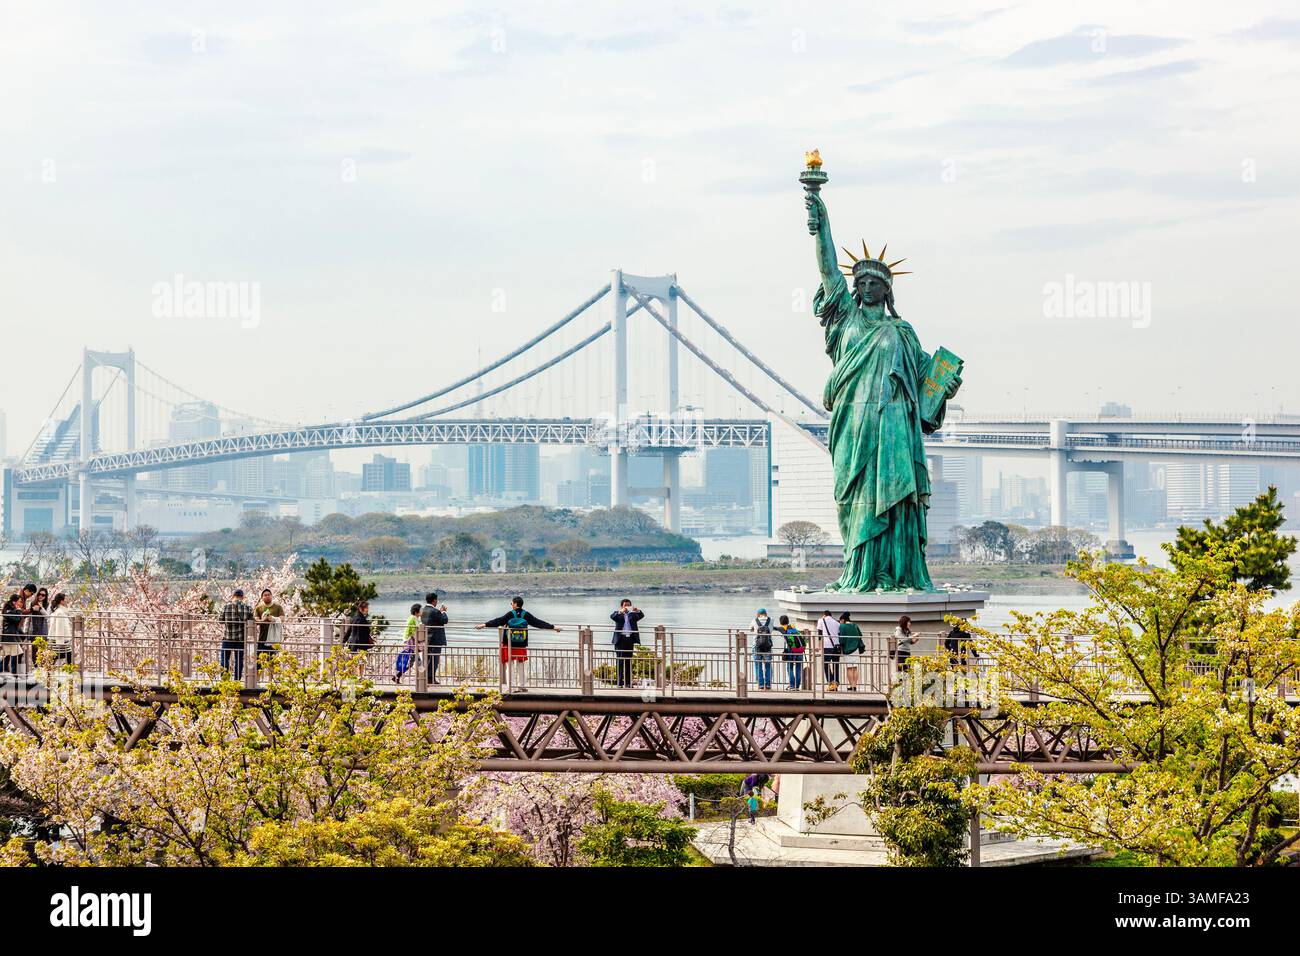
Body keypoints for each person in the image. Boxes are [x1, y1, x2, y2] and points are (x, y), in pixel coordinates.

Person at [477, 596, 561, 693]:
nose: (511, 605)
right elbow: (538, 623)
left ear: (516, 604)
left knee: (510, 665)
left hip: (508, 643)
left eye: (512, 603)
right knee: (521, 665)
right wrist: (553, 627)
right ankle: (521, 686)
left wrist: (484, 625)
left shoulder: (510, 614)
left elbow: (498, 621)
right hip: (521, 644)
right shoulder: (526, 615)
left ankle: (511, 687)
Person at [217, 588, 254, 679]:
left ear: (233, 596)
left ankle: (224, 679)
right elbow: (251, 621)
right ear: (242, 597)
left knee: (225, 659)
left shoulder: (227, 606)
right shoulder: (247, 608)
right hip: (240, 639)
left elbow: (220, 621)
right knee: (239, 660)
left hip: (227, 638)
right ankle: (237, 680)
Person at [609, 598, 644, 689]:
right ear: (622, 606)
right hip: (620, 640)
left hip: (630, 639)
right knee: (620, 661)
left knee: (628, 661)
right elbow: (612, 616)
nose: (627, 607)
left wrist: (637, 610)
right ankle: (619, 683)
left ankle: (628, 683)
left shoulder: (633, 615)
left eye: (628, 605)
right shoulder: (618, 614)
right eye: (625, 605)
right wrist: (621, 612)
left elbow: (641, 615)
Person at [420, 592, 449, 685]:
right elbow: (445, 620)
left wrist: (439, 612)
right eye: (436, 600)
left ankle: (427, 677)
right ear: (434, 600)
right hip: (435, 639)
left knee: (428, 659)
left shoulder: (423, 610)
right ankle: (431, 679)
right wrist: (443, 612)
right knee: (434, 659)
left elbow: (433, 620)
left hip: (427, 638)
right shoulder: (435, 611)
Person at [253, 588, 284, 667]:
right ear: (262, 597)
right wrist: (264, 620)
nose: (267, 596)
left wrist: (273, 619)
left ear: (271, 596)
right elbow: (256, 621)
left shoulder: (278, 607)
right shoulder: (259, 608)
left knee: (273, 663)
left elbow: (282, 618)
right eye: (265, 595)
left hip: (274, 639)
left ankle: (271, 679)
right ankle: (258, 679)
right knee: (259, 663)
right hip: (262, 638)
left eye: (269, 595)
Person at [748, 608, 775, 691]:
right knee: (768, 665)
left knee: (758, 665)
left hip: (757, 646)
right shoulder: (771, 620)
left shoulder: (754, 620)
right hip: (768, 646)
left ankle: (760, 685)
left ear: (758, 614)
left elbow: (750, 629)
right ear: (766, 614)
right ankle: (768, 685)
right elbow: (771, 629)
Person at [395, 603, 421, 684]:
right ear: (417, 612)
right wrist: (419, 641)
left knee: (412, 662)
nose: (422, 611)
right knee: (417, 662)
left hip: (412, 643)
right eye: (421, 610)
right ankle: (423, 680)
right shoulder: (412, 619)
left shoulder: (414, 618)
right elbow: (413, 632)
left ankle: (397, 676)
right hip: (411, 644)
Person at [837, 612, 863, 691]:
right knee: (855, 668)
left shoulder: (842, 626)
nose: (840, 622)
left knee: (849, 668)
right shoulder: (855, 625)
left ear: (843, 620)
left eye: (840, 621)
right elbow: (860, 635)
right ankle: (855, 685)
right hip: (856, 649)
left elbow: (841, 639)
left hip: (847, 649)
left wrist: (841, 648)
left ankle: (851, 685)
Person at [779, 615, 805, 691]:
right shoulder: (793, 627)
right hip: (799, 650)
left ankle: (792, 685)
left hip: (791, 650)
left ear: (781, 622)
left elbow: (773, 628)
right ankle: (797, 686)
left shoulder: (782, 628)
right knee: (798, 667)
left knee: (789, 667)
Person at [47, 593, 73, 666]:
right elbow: (59, 627)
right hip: (61, 639)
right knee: (64, 655)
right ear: (61, 601)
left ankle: (48, 672)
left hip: (59, 639)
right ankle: (71, 673)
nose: (66, 601)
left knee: (61, 656)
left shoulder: (58, 611)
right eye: (65, 600)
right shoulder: (60, 613)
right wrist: (60, 642)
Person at [1, 594, 25, 675]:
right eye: (19, 602)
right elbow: (17, 620)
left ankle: (10, 674)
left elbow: (16, 623)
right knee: (16, 655)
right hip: (9, 637)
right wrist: (18, 611)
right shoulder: (8, 610)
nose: (20, 604)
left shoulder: (10, 609)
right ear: (14, 602)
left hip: (10, 637)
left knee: (7, 657)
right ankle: (15, 674)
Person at [817, 609, 840, 691]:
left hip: (826, 646)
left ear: (824, 615)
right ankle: (836, 682)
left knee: (826, 664)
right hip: (836, 646)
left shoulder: (821, 620)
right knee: (836, 665)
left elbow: (819, 633)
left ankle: (831, 682)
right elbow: (839, 634)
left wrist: (819, 645)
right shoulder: (837, 623)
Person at [892, 614, 918, 681]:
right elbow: (903, 639)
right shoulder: (898, 630)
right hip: (900, 652)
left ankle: (906, 686)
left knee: (907, 669)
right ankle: (900, 686)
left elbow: (909, 642)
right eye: (909, 622)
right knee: (901, 670)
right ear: (905, 622)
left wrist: (915, 639)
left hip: (907, 652)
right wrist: (913, 636)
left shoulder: (907, 631)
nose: (910, 624)